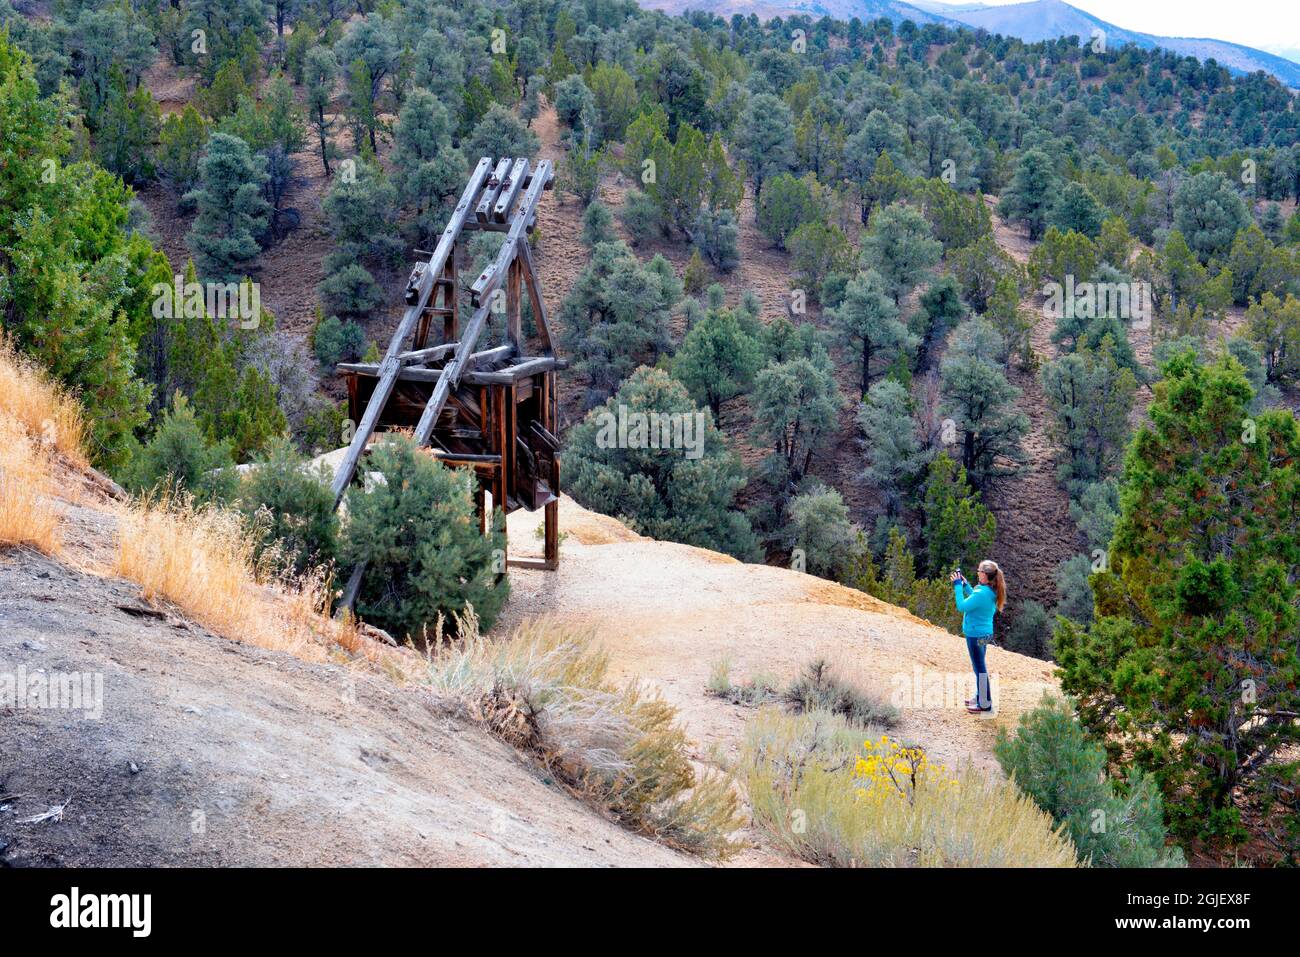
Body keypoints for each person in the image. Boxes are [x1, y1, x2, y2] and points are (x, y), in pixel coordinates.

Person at [949, 559, 1006, 713]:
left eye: (979, 571)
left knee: (979, 668)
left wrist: (957, 586)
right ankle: (979, 696)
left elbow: (962, 606)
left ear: (985, 575)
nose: (977, 572)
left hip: (975, 635)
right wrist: (966, 585)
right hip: (986, 634)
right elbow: (977, 597)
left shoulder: (982, 592)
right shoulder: (991, 590)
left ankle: (985, 704)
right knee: (979, 666)